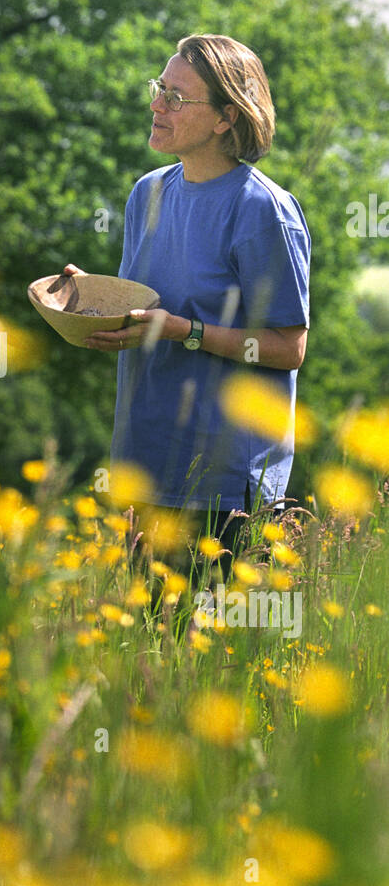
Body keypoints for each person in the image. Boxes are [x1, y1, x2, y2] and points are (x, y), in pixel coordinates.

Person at [62, 34, 310, 571]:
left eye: (176, 97)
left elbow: (288, 349)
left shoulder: (264, 210)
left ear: (225, 118)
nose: (156, 105)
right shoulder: (146, 193)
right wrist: (93, 302)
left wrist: (185, 331)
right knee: (145, 651)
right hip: (144, 466)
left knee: (214, 652)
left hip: (224, 487)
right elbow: (147, 309)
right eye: (159, 89)